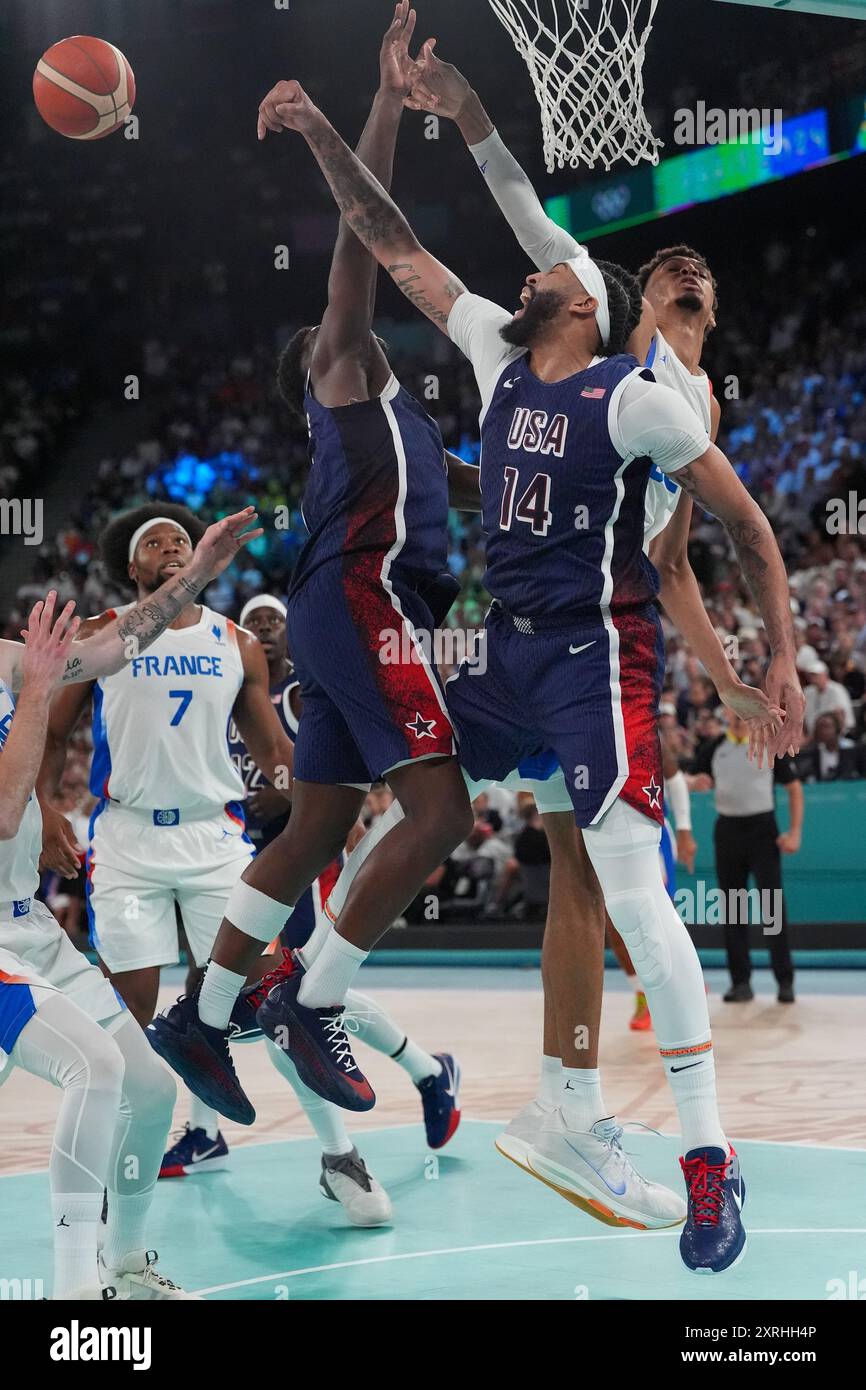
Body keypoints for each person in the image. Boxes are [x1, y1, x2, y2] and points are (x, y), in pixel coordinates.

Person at [165, 56, 804, 1276]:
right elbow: (387, 235)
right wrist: (326, 124)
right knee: (419, 797)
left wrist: (771, 664)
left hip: (588, 662)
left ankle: (707, 1164)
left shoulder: (638, 402)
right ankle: (307, 993)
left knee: (626, 886)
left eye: (546, 270)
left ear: (583, 302)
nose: (523, 270)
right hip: (504, 659)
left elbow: (749, 528)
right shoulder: (492, 353)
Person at [149, 6, 473, 1145]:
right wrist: (351, 115)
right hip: (355, 602)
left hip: (364, 610)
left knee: (317, 828)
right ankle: (308, 1001)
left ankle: (203, 1012)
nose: (363, 313)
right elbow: (362, 234)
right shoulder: (339, 366)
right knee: (441, 809)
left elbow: (485, 489)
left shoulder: (408, 430)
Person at [0, 506, 259, 1298]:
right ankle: (77, 1293)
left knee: (146, 1086)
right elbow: (5, 812)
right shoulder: (24, 677)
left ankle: (126, 1266)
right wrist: (40, 697)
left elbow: (115, 645)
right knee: (97, 1067)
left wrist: (201, 570)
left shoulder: (8, 659)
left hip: (28, 927)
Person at [694, 708, 803, 1003]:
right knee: (732, 910)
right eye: (734, 710)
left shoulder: (768, 744)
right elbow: (694, 779)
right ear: (727, 713)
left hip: (762, 831)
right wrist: (697, 783)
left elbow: (794, 788)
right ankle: (740, 982)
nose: (738, 716)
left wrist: (794, 832)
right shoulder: (714, 748)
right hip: (728, 831)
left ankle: (785, 980)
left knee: (772, 909)